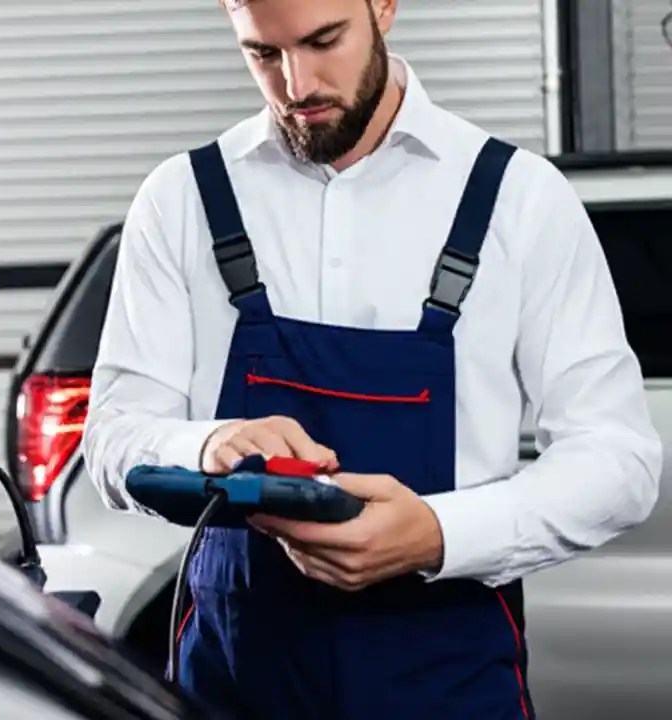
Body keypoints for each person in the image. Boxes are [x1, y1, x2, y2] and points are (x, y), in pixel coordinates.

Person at [81, 0, 663, 718]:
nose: (298, 84)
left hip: (447, 684)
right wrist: (208, 442)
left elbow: (620, 461)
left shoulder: (521, 201)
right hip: (237, 682)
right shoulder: (183, 202)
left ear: (383, 6)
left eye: (325, 40)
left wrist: (438, 534)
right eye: (263, 54)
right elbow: (111, 438)